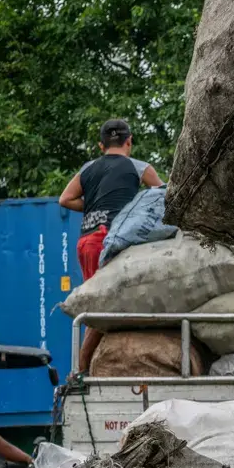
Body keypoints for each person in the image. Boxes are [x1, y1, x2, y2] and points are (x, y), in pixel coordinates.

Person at [58, 118, 162, 374]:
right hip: (110, 240)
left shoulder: (88, 169)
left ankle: (93, 365)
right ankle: (81, 370)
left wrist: (93, 206)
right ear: (129, 142)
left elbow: (65, 199)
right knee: (102, 306)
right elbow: (163, 197)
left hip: (86, 241)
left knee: (98, 303)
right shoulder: (138, 167)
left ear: (100, 145)